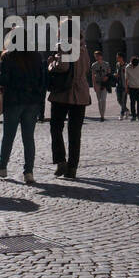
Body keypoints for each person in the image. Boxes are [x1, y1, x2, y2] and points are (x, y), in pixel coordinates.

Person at [0, 35, 46, 184]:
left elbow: (4, 80)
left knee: (8, 135)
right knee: (29, 138)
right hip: (32, 101)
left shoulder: (8, 57)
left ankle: (2, 166)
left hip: (14, 101)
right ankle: (29, 172)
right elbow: (42, 79)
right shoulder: (36, 57)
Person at [48, 37, 91, 178]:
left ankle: (61, 161)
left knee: (56, 127)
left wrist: (51, 64)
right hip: (81, 92)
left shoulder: (64, 45)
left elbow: (63, 66)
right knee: (75, 132)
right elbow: (87, 67)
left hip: (63, 93)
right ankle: (72, 168)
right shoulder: (84, 47)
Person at [89, 49, 111, 122]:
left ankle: (103, 115)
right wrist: (94, 85)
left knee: (103, 100)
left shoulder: (106, 64)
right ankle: (101, 115)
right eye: (95, 56)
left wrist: (106, 77)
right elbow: (92, 76)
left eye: (98, 56)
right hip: (98, 83)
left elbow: (109, 73)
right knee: (99, 100)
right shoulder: (94, 65)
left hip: (104, 84)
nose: (97, 57)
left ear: (101, 56)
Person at [125, 53, 139, 120]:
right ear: (131, 62)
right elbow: (126, 79)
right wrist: (126, 88)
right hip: (131, 87)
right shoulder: (127, 67)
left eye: (135, 65)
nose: (134, 67)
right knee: (132, 102)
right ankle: (134, 115)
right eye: (133, 65)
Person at [113, 53, 127, 119]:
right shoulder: (117, 65)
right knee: (119, 100)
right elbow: (116, 72)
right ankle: (126, 110)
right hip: (118, 84)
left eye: (118, 57)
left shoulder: (126, 66)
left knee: (123, 100)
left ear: (121, 58)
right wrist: (115, 74)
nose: (116, 58)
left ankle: (122, 114)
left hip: (124, 85)